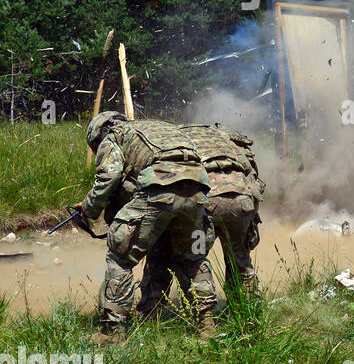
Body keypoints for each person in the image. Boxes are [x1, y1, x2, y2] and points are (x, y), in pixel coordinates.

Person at [77, 111, 214, 335]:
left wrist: (89, 209)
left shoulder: (113, 135)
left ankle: (113, 330)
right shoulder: (157, 128)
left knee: (120, 256)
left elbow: (109, 177)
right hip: (198, 190)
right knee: (193, 257)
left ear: (99, 133)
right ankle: (207, 325)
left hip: (159, 189)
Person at [140, 124, 263, 315]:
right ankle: (248, 314)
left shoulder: (177, 143)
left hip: (207, 206)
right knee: (241, 261)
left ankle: (195, 314)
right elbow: (255, 180)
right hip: (242, 204)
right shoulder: (227, 139)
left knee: (194, 259)